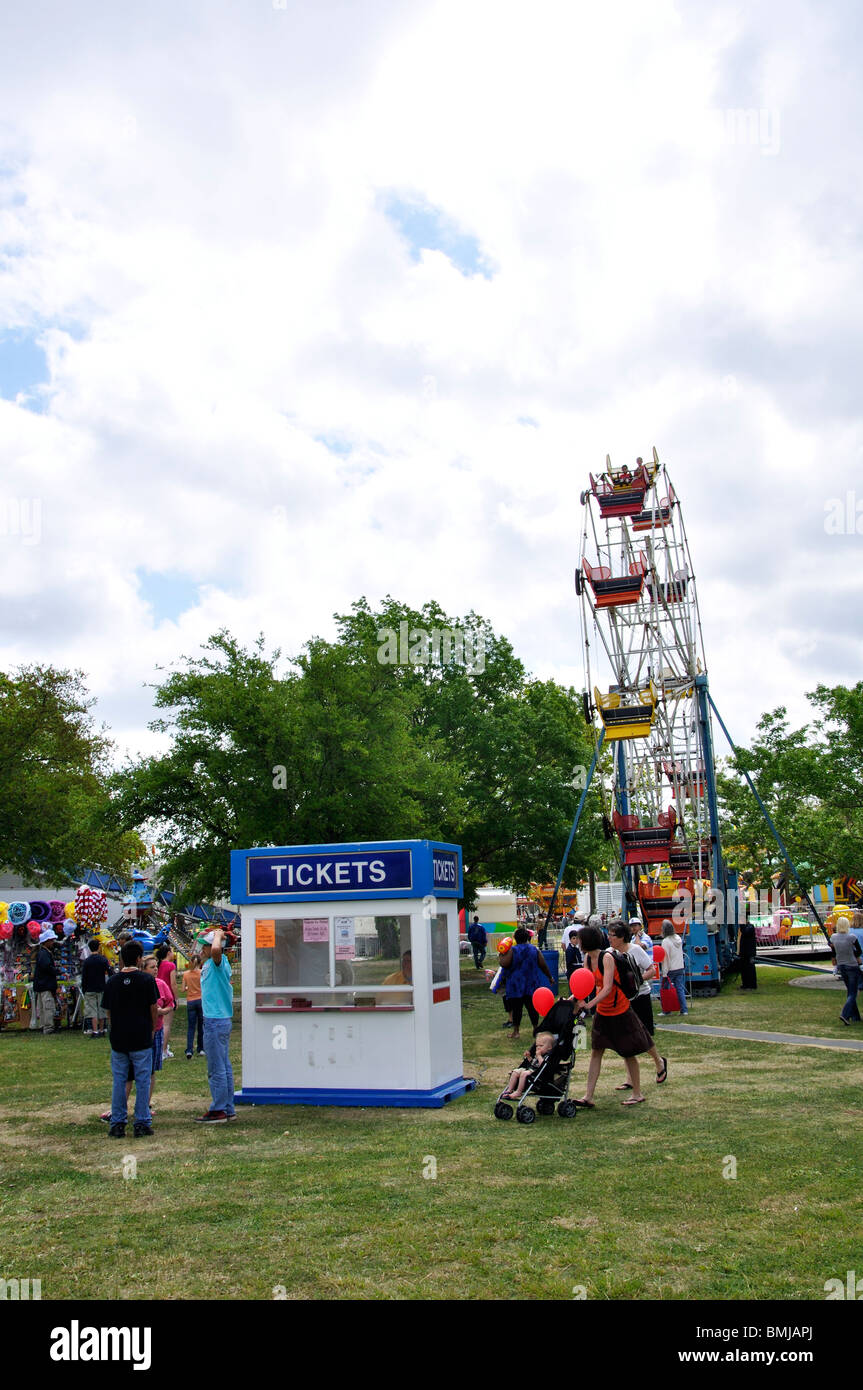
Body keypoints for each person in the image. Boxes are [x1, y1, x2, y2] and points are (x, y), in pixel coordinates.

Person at [571, 923, 653, 1106]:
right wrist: (573, 998)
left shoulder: (606, 957)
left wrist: (590, 1004)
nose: (578, 942)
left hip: (620, 1011)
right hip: (603, 1011)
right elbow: (587, 981)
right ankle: (588, 1096)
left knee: (628, 1052)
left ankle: (637, 1093)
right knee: (596, 1052)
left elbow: (607, 987)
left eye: (580, 939)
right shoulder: (587, 958)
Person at [101, 940, 159, 1138]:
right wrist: (151, 1028)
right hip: (141, 1034)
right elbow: (153, 1007)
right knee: (143, 1080)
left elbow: (107, 1010)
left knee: (119, 1079)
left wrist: (114, 1025)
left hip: (119, 1036)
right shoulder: (146, 980)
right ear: (138, 959)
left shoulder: (113, 982)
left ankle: (117, 1122)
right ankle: (141, 1121)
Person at [607, 921, 667, 1085]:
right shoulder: (610, 953)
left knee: (643, 1035)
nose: (609, 938)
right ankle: (630, 1078)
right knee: (624, 1037)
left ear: (621, 937)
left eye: (612, 935)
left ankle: (659, 1062)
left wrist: (637, 980)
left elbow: (651, 970)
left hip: (640, 996)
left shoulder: (635, 950)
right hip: (622, 1000)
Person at [197, 928, 236, 1123]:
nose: (201, 950)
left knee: (216, 1067)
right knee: (224, 1065)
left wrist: (219, 935)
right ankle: (228, 1107)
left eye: (204, 946)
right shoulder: (212, 965)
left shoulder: (217, 962)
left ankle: (218, 1108)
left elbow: (215, 951)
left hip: (215, 1020)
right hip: (219, 1020)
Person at [499, 927, 554, 1040]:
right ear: (527, 937)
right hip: (531, 983)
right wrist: (550, 977)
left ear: (515, 938)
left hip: (516, 984)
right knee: (532, 1007)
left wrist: (501, 954)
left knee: (516, 1008)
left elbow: (504, 964)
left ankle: (516, 1031)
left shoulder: (512, 950)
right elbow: (543, 965)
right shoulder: (534, 950)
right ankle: (536, 1029)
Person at [502, 1032, 556, 1099]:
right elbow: (533, 1063)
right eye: (537, 1046)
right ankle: (509, 1090)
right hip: (530, 1069)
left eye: (541, 1046)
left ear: (549, 1047)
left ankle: (519, 1091)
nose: (538, 1048)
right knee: (515, 1071)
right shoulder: (537, 1054)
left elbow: (543, 1066)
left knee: (524, 1073)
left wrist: (539, 1056)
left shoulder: (547, 1056)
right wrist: (529, 1057)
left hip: (538, 1073)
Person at [830, 917, 862, 1025]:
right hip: (852, 965)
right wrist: (855, 955)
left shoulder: (833, 937)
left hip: (842, 966)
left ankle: (855, 1016)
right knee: (853, 992)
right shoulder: (851, 937)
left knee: (850, 990)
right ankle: (845, 1014)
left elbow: (833, 952)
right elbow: (859, 951)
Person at [81, 937, 113, 1038]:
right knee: (101, 1009)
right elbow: (110, 973)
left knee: (92, 1010)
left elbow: (84, 976)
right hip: (101, 987)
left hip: (90, 988)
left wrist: (84, 988)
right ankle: (102, 1029)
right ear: (99, 947)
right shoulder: (103, 960)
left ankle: (94, 1031)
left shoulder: (87, 961)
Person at [31, 928, 59, 1035]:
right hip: (45, 984)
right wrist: (56, 971)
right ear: (46, 941)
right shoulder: (44, 954)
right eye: (51, 940)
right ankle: (48, 1027)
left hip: (41, 984)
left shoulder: (42, 953)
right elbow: (47, 967)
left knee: (43, 1007)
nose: (52, 942)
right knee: (48, 1007)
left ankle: (44, 1026)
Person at [659, 919, 689, 1016]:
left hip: (670, 969)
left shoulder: (665, 942)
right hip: (679, 967)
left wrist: (664, 972)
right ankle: (684, 1010)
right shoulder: (678, 938)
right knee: (679, 989)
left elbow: (665, 958)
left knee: (665, 989)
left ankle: (667, 1010)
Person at [155, 945, 178, 1057]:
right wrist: (176, 998)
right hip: (167, 995)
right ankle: (163, 1050)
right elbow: (173, 984)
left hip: (158, 995)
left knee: (159, 1023)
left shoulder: (157, 965)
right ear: (168, 952)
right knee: (167, 1024)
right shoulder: (170, 965)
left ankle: (161, 1047)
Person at [182, 952, 205, 1057]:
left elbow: (183, 989)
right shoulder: (202, 973)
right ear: (200, 963)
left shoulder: (186, 974)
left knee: (191, 1027)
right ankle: (201, 1048)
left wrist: (188, 988)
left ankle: (189, 1049)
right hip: (200, 1000)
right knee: (201, 1026)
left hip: (190, 1001)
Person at [736, 914, 758, 991]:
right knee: (743, 969)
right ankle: (745, 984)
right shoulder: (742, 928)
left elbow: (746, 932)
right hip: (743, 952)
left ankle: (752, 985)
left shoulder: (750, 927)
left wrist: (742, 925)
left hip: (749, 952)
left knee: (750, 969)